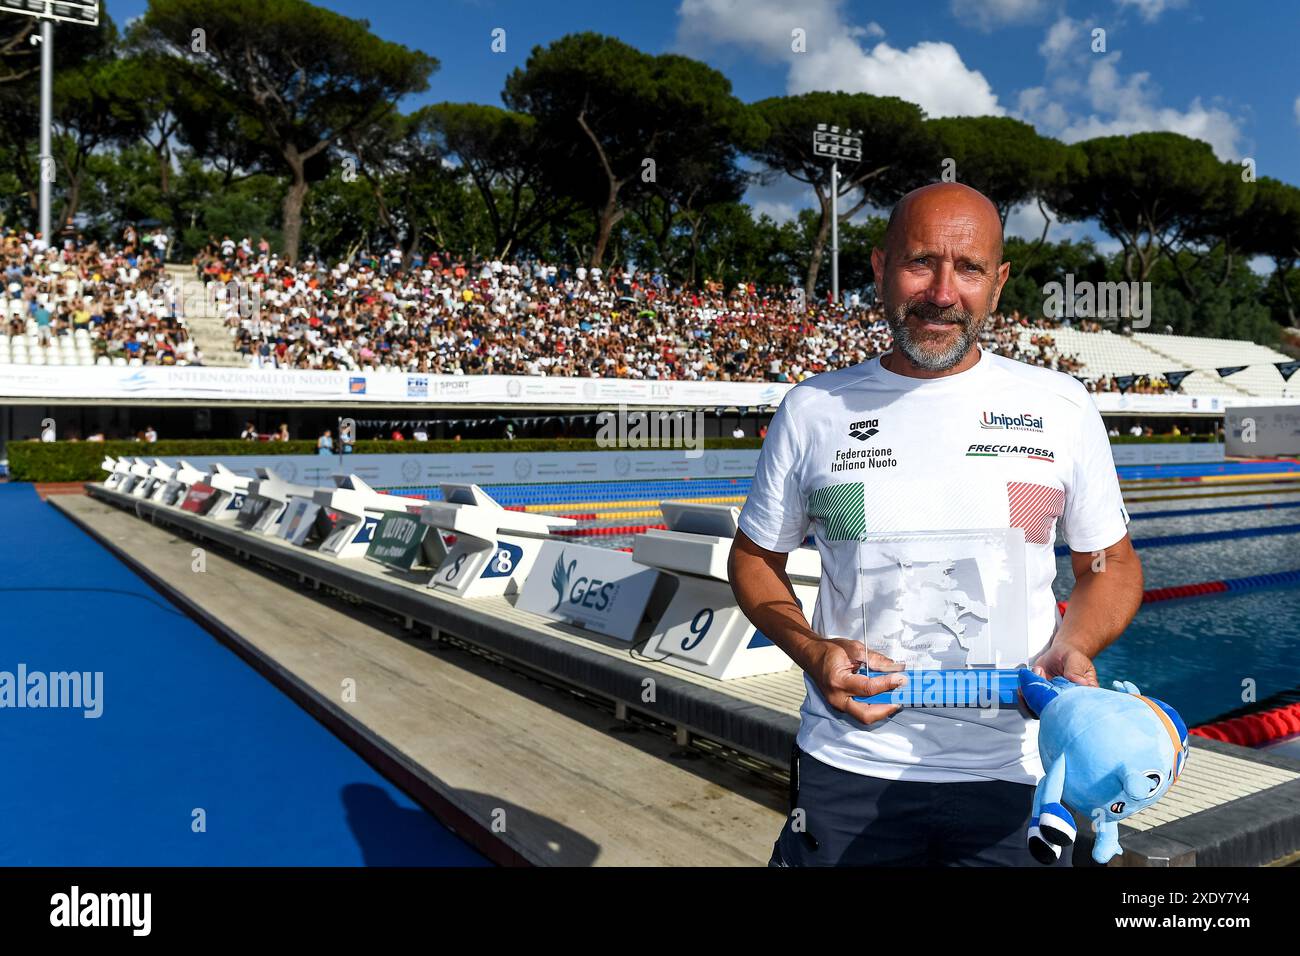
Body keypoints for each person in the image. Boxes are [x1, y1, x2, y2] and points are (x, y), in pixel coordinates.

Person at [729, 182, 1141, 867]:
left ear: (999, 282)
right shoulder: (815, 411)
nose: (944, 292)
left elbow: (1112, 565)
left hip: (1019, 774)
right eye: (921, 262)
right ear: (879, 269)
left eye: (970, 268)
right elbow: (754, 560)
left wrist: (1072, 644)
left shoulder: (1061, 407)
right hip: (849, 766)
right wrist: (810, 649)